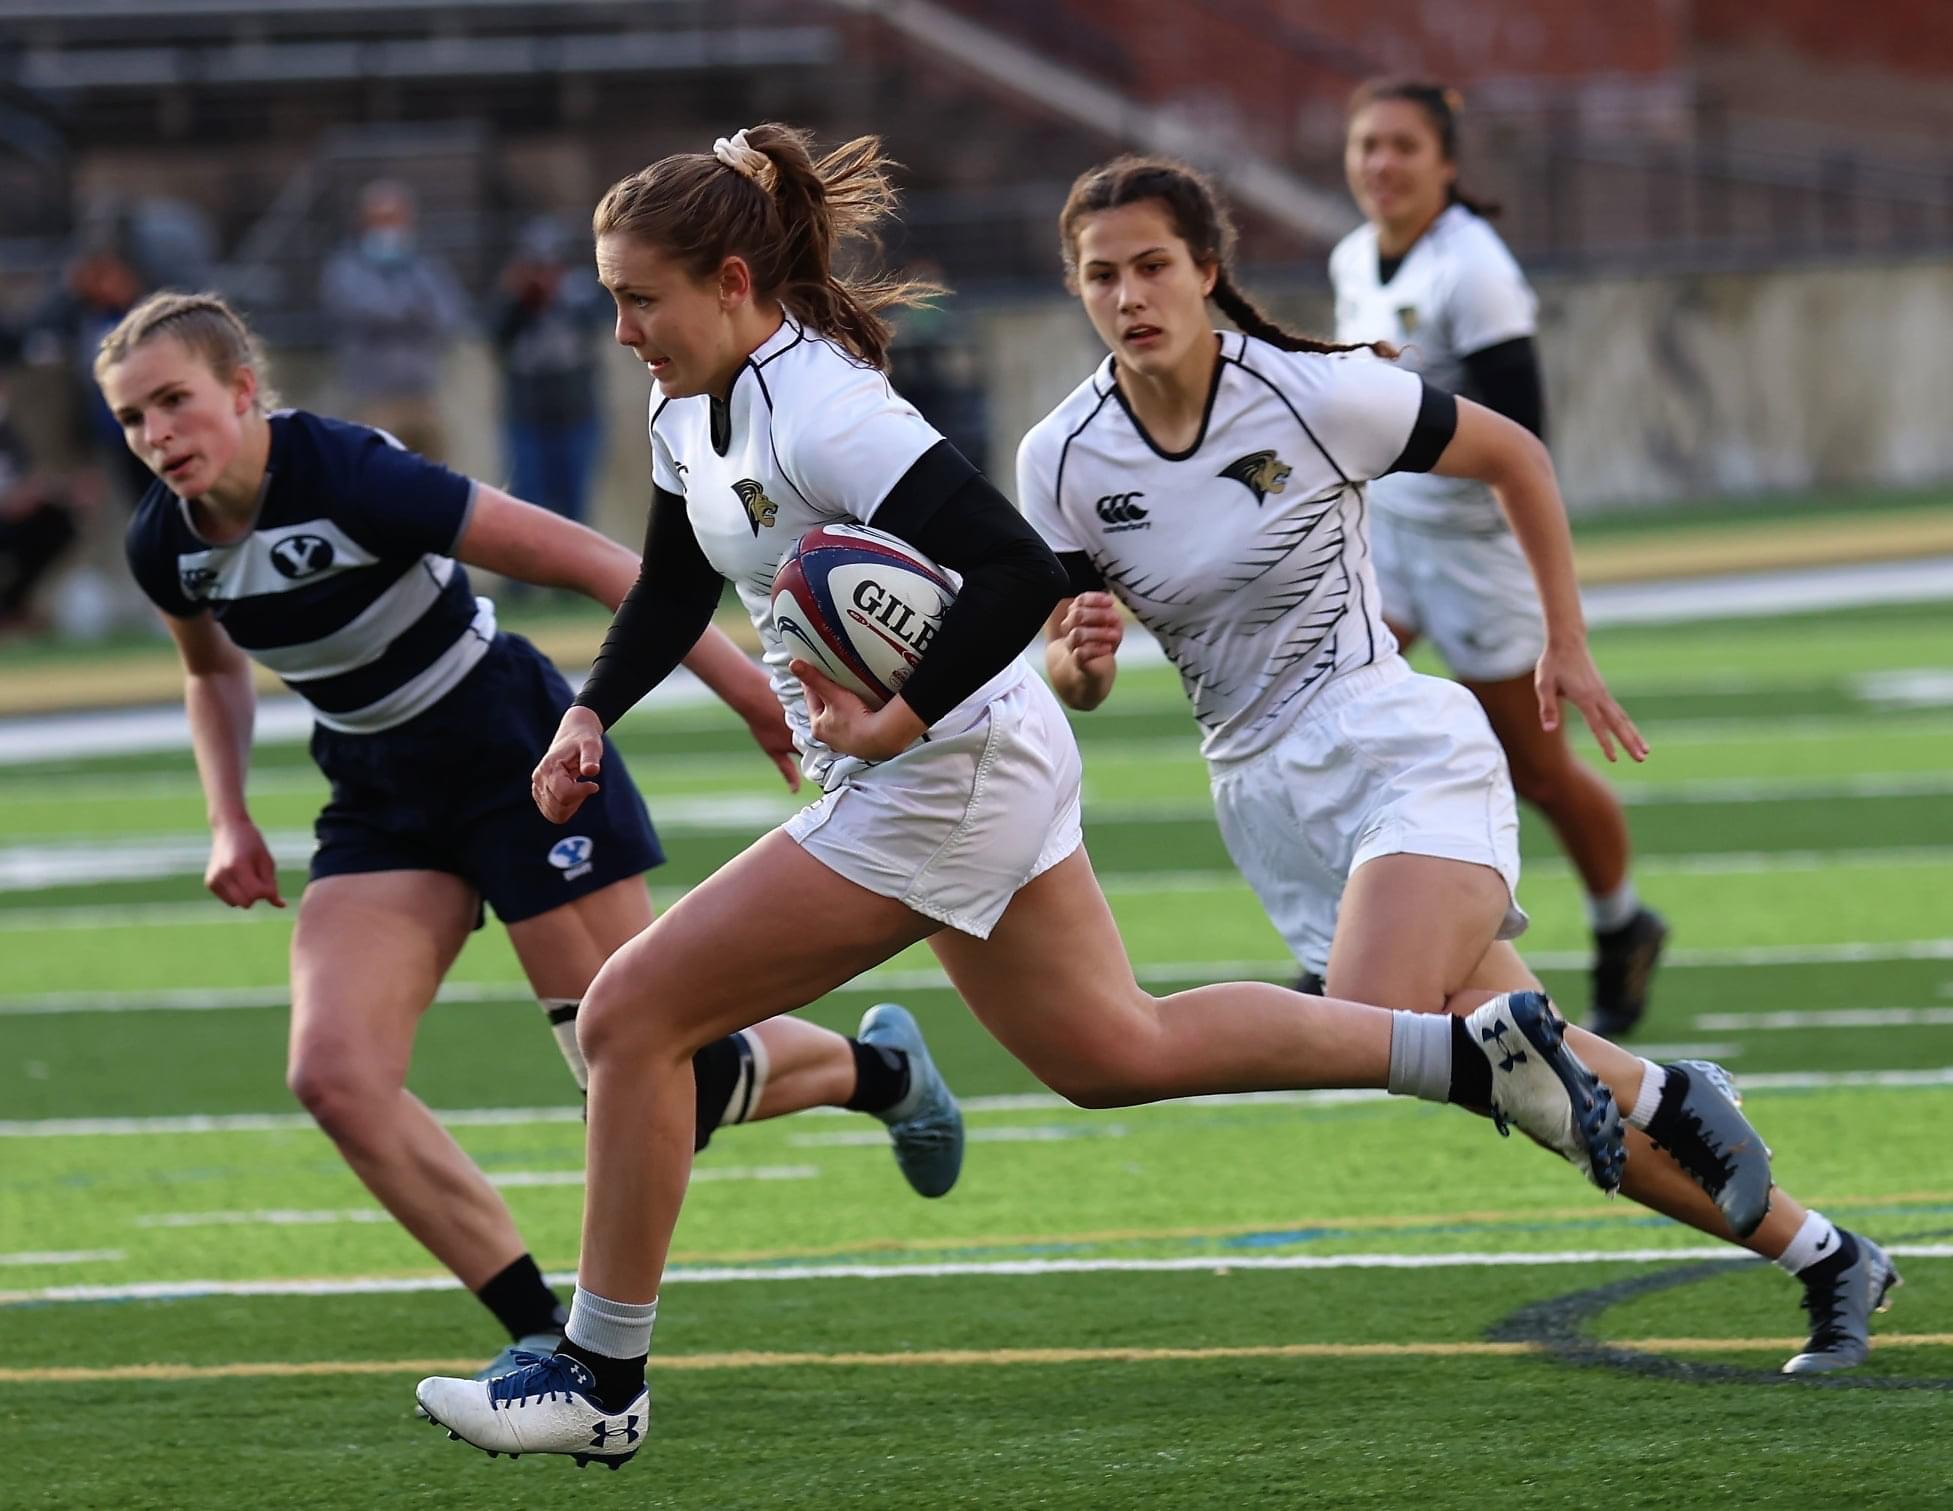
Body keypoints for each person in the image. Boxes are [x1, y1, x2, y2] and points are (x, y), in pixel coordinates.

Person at [413, 122, 1650, 1468]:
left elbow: (1008, 570)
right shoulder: (682, 400)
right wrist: (594, 704)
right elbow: (668, 580)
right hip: (964, 762)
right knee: (1114, 1053)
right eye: (610, 299)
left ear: (725, 279)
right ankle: (1473, 1054)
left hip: (944, 775)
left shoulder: (825, 406)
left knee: (629, 1014)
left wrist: (890, 715)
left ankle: (600, 1373)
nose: (619, 328)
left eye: (637, 298)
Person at [1023, 153, 1896, 1380]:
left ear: (1208, 271)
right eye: (1100, 275)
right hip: (1264, 801)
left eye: (1154, 265)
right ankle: (1823, 1251)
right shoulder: (1061, 457)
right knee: (1530, 1090)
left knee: (1381, 1025)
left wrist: (1568, 643)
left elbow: (1518, 457)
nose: (1130, 295)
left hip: (1392, 747)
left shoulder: (1317, 393)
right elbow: (1078, 676)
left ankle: (1671, 1088)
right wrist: (1082, 661)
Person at [94, 290, 968, 1379]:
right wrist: (228, 815)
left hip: (513, 744)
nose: (156, 435)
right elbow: (211, 669)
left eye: (174, 402)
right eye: (132, 419)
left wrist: (751, 691)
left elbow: (600, 564)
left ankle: (881, 1071)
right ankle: (534, 1328)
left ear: (240, 390)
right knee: (334, 1074)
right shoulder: (161, 545)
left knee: (653, 1079)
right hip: (376, 789)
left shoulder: (352, 474)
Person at [1330, 80, 1665, 1038]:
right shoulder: (1354, 254)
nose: (1381, 164)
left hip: (1477, 552)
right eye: (1366, 146)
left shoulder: (1472, 271)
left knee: (1539, 770)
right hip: (1388, 534)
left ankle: (1623, 920)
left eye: (1402, 146)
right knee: (1333, 719)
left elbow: (1523, 442)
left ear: (1445, 164)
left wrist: (1564, 627)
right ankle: (1342, 944)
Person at [319, 181, 468, 461]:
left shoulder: (426, 266)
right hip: (373, 398)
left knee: (437, 485)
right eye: (380, 220)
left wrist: (403, 313)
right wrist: (413, 312)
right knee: (378, 483)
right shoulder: (345, 268)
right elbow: (364, 311)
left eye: (394, 218)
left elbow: (448, 315)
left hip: (424, 396)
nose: (388, 228)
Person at [492, 216, 610, 528]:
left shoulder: (581, 290)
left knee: (575, 505)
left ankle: (577, 573)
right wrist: (523, 301)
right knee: (525, 502)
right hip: (528, 414)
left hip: (575, 411)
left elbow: (599, 326)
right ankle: (519, 574)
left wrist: (560, 296)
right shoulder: (514, 294)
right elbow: (498, 337)